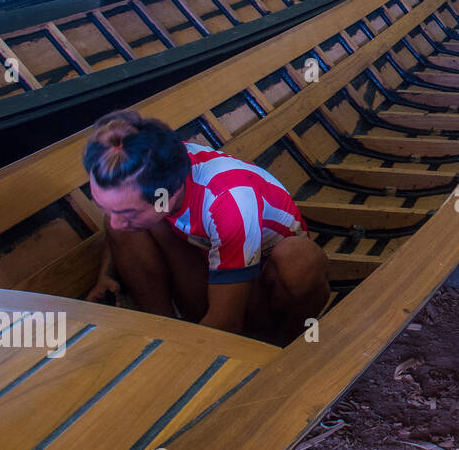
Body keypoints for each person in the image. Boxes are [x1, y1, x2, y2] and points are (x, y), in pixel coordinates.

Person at [83, 110, 329, 345]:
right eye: (105, 207)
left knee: (300, 258)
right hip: (208, 261)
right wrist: (107, 274)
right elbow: (119, 219)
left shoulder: (229, 201)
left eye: (127, 212)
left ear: (167, 195)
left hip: (260, 293)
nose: (113, 221)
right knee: (123, 224)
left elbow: (226, 322)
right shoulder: (159, 164)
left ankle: (280, 346)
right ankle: (160, 331)